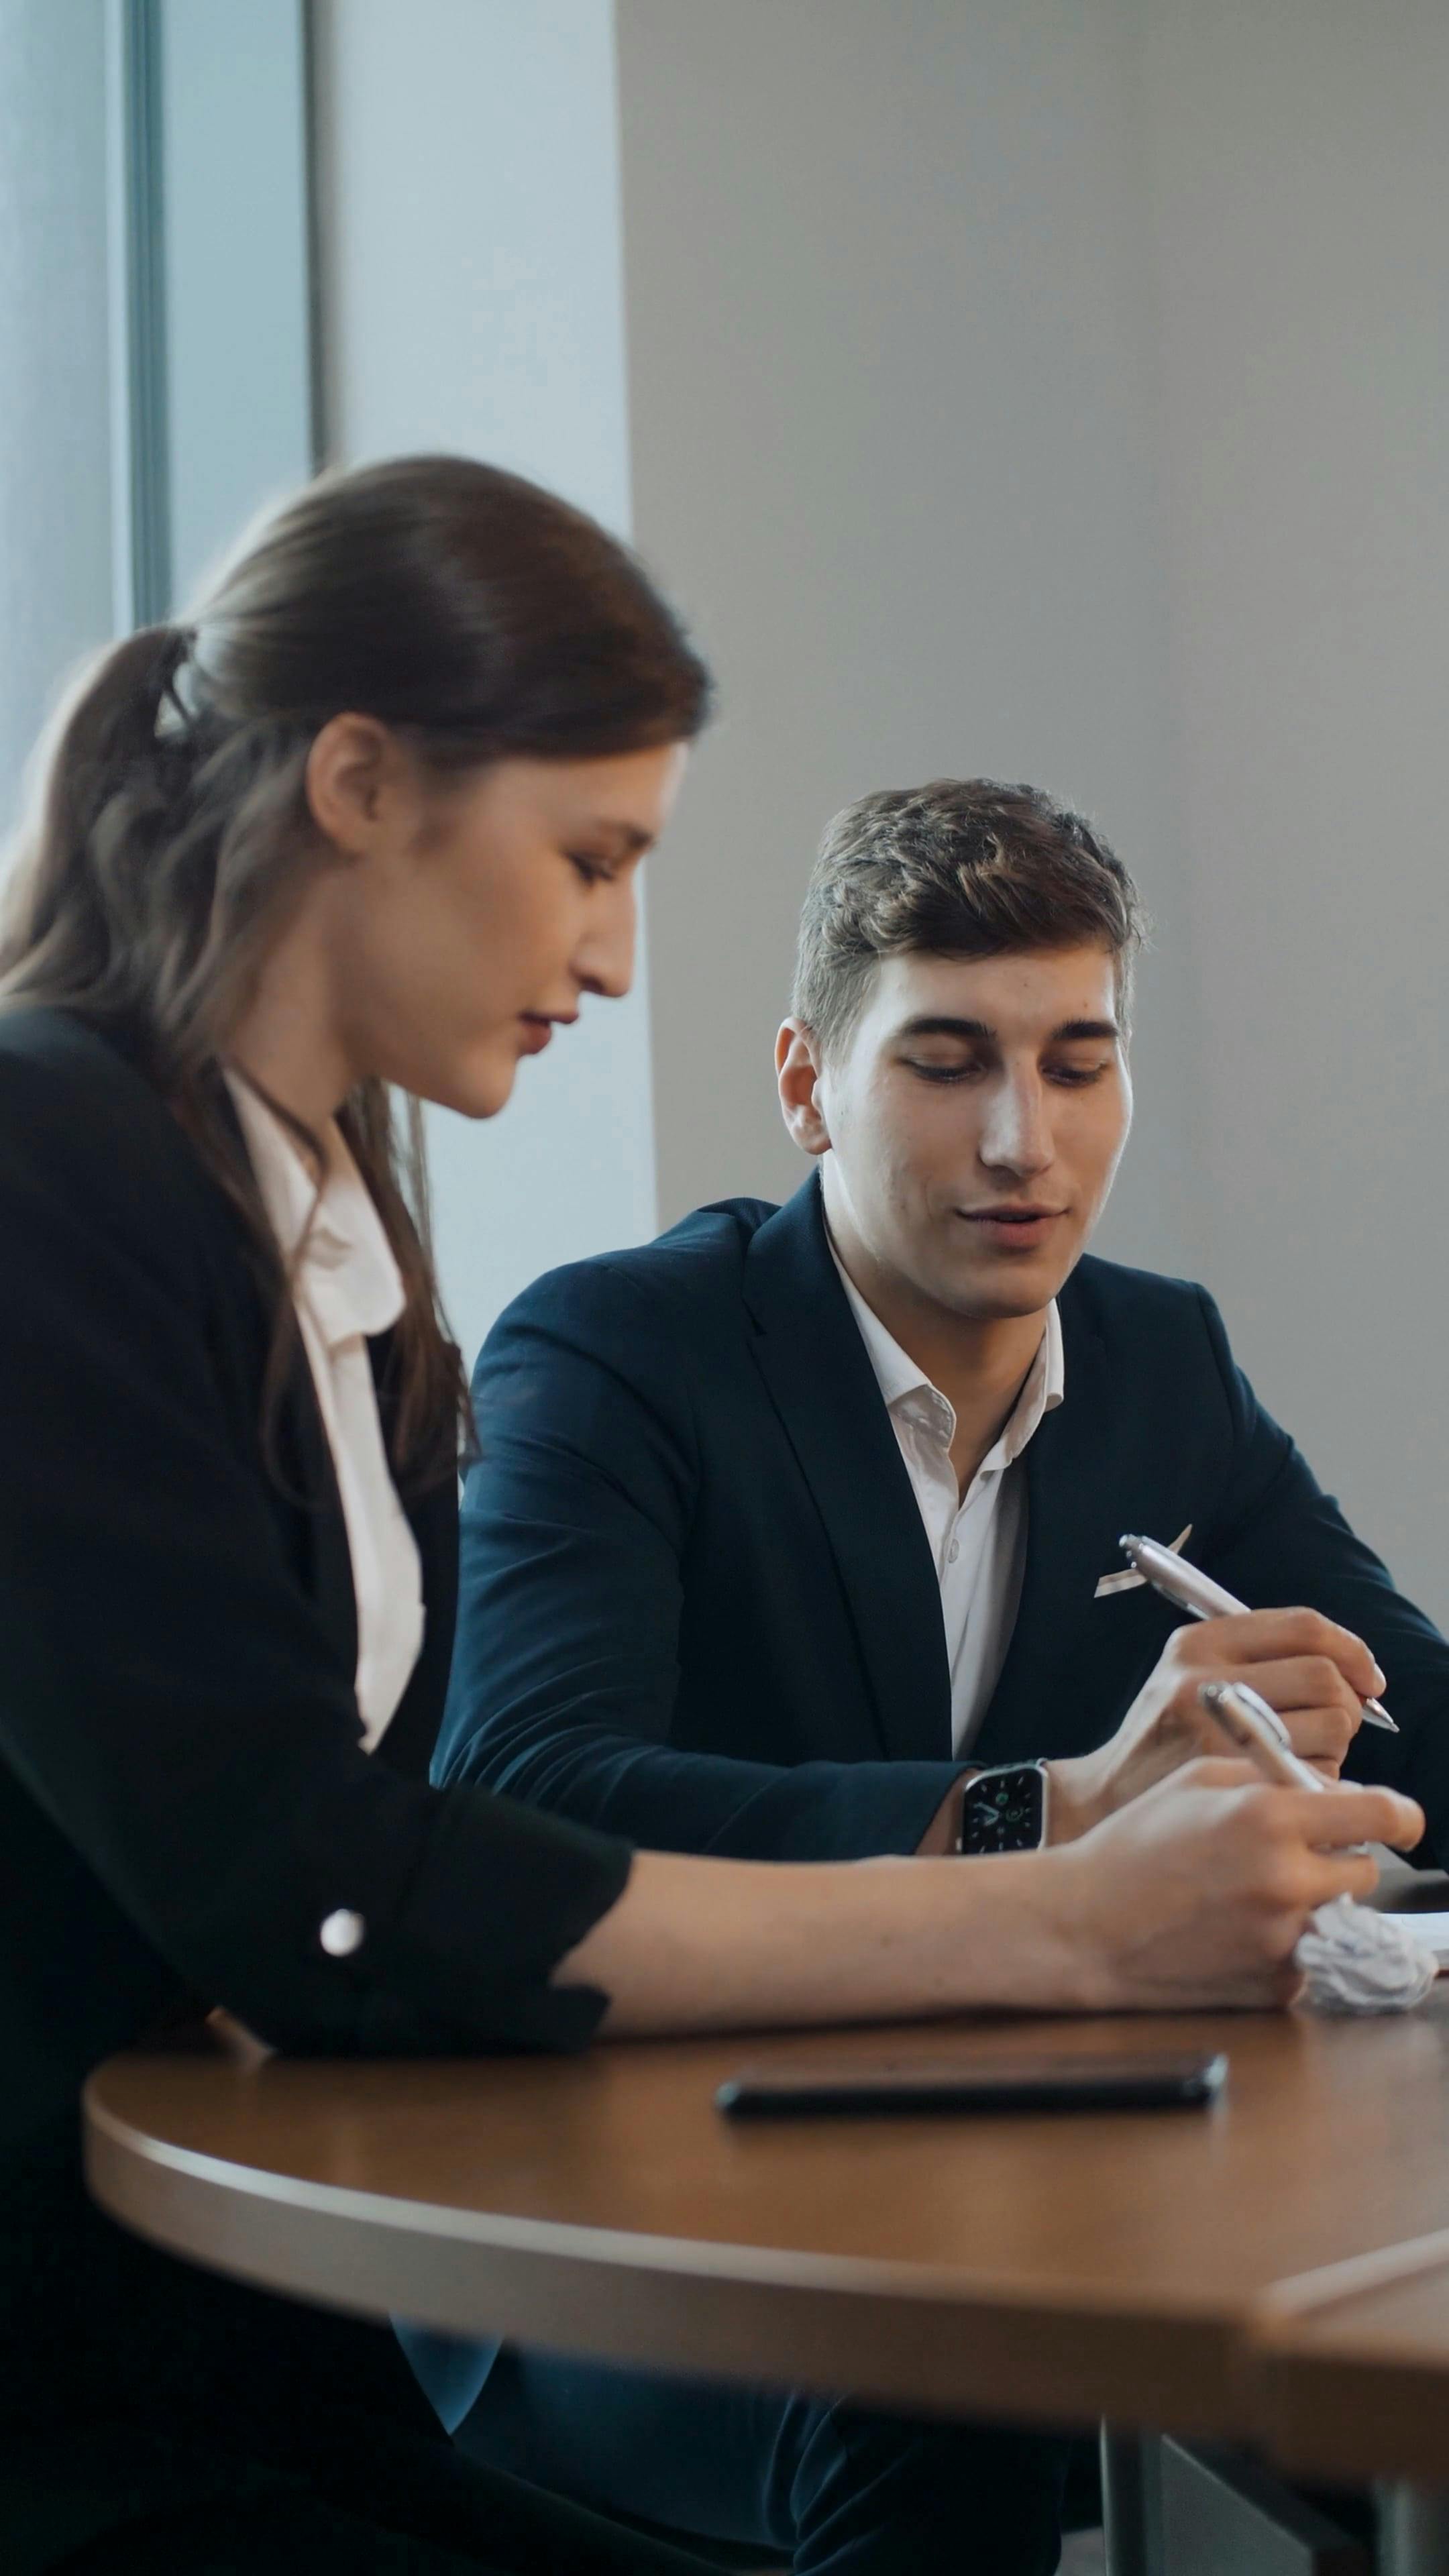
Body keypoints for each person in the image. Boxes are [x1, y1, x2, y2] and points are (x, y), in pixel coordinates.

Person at [0, 474, 1415, 2576]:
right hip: (86, 2393)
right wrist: (1054, 1898)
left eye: (1078, 1062)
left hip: (259, 2354)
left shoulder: (340, 1236)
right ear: (363, 786)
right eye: (592, 858)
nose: (610, 946)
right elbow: (338, 1889)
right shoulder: (59, 1155)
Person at [431, 776, 1449, 2566]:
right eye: (945, 1059)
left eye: (1076, 1062)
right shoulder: (618, 1351)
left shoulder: (1160, 1362)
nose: (1020, 1145)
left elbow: (1409, 1702)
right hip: (637, 2224)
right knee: (948, 2391)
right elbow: (527, 1799)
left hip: (1053, 2180)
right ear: (809, 1081)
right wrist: (1056, 1809)